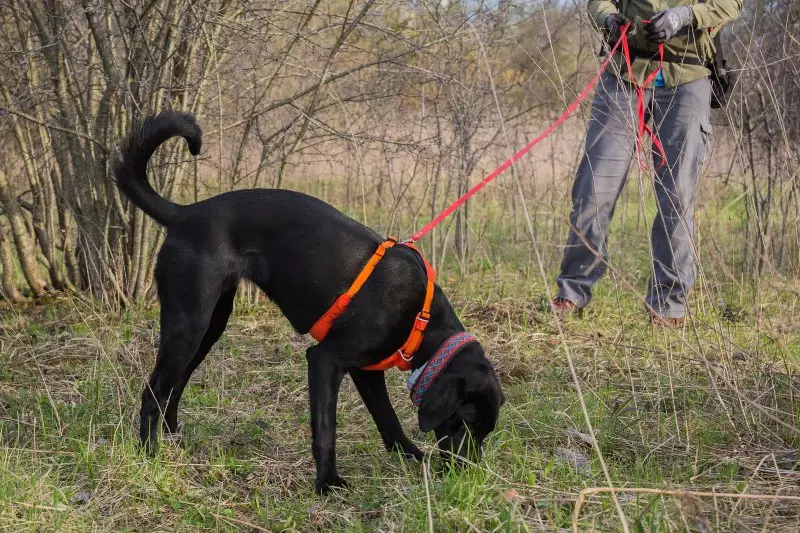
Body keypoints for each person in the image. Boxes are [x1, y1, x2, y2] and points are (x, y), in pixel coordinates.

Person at [552, 0, 741, 326]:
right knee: (593, 189)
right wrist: (608, 18)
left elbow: (731, 3)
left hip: (687, 74)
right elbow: (597, 2)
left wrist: (686, 16)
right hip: (623, 71)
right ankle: (571, 292)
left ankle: (668, 305)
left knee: (677, 197)